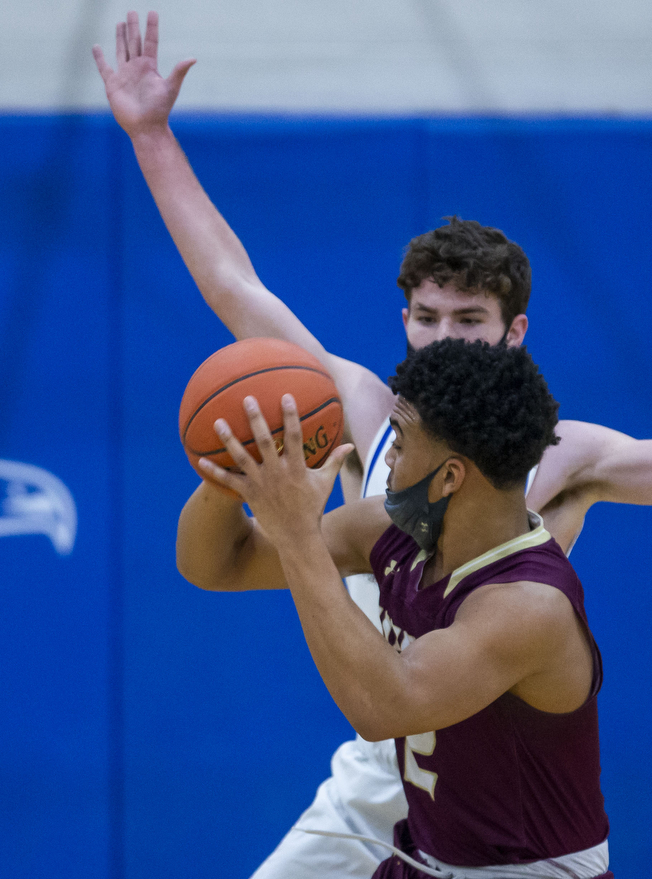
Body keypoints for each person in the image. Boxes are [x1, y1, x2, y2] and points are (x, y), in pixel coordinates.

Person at [94, 11, 652, 878]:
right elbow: (234, 286)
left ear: (514, 332)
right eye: (428, 317)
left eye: (468, 320)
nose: (444, 338)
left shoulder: (559, 456)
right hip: (385, 775)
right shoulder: (361, 410)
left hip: (482, 777)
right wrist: (151, 136)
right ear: (403, 320)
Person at [177, 339, 613, 878]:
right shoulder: (392, 533)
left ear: (450, 477)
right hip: (426, 858)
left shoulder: (528, 605)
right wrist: (232, 472)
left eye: (400, 445)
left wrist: (298, 535)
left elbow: (383, 707)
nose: (386, 460)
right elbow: (218, 564)